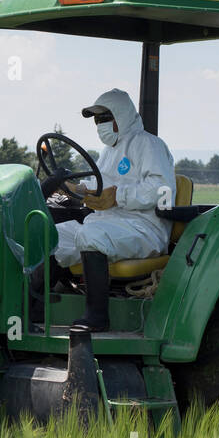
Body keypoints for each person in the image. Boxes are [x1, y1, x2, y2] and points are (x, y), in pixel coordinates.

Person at [48, 87, 176, 332]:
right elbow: (101, 184)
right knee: (50, 233)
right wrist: (79, 189)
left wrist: (118, 197)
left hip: (144, 229)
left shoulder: (148, 145)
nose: (100, 125)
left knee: (90, 235)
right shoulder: (109, 152)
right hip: (109, 225)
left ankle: (97, 317)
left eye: (105, 118)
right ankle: (38, 306)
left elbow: (163, 189)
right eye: (97, 120)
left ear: (122, 115)